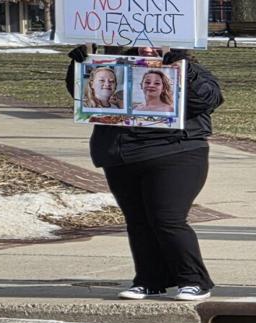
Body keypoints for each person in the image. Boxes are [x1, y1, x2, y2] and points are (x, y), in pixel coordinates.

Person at [66, 45, 224, 303]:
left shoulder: (189, 68)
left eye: (156, 41)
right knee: (138, 221)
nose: (147, 47)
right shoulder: (117, 69)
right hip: (123, 155)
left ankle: (194, 280)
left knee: (167, 219)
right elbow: (85, 98)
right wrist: (80, 66)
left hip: (176, 153)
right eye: (142, 42)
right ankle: (149, 280)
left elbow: (207, 100)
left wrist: (184, 69)